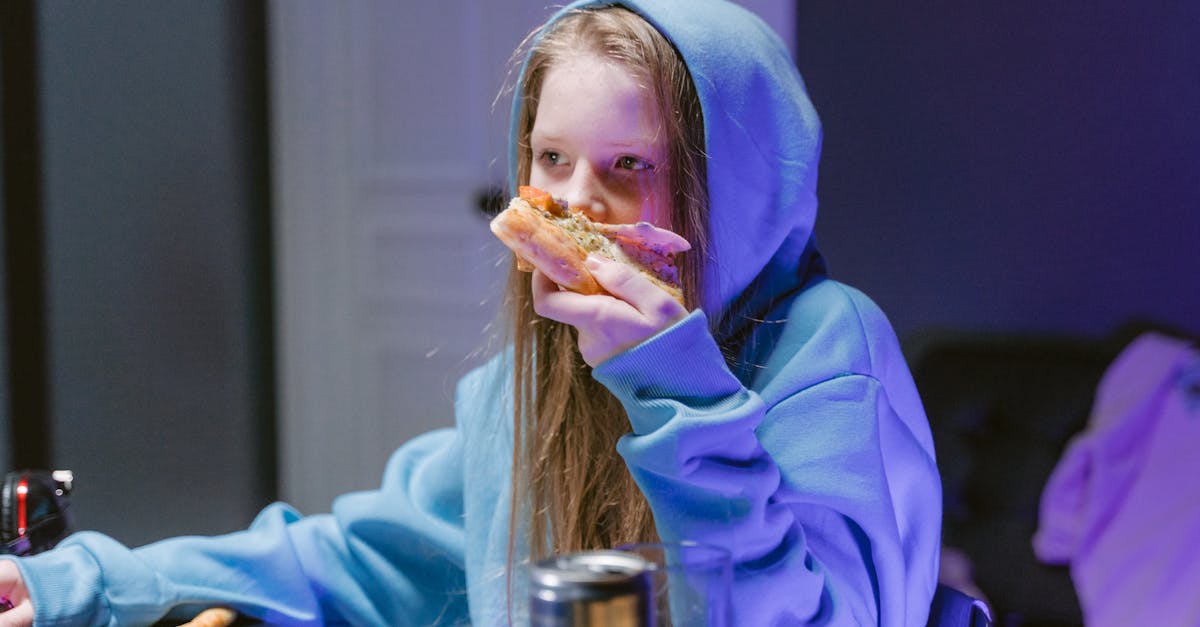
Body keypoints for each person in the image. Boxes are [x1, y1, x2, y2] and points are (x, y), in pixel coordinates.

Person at [0, 0, 942, 624]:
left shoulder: (828, 349)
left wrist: (678, 391)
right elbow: (361, 560)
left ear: (731, 192)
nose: (576, 204)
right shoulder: (523, 389)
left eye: (631, 167)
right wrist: (80, 584)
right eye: (551, 159)